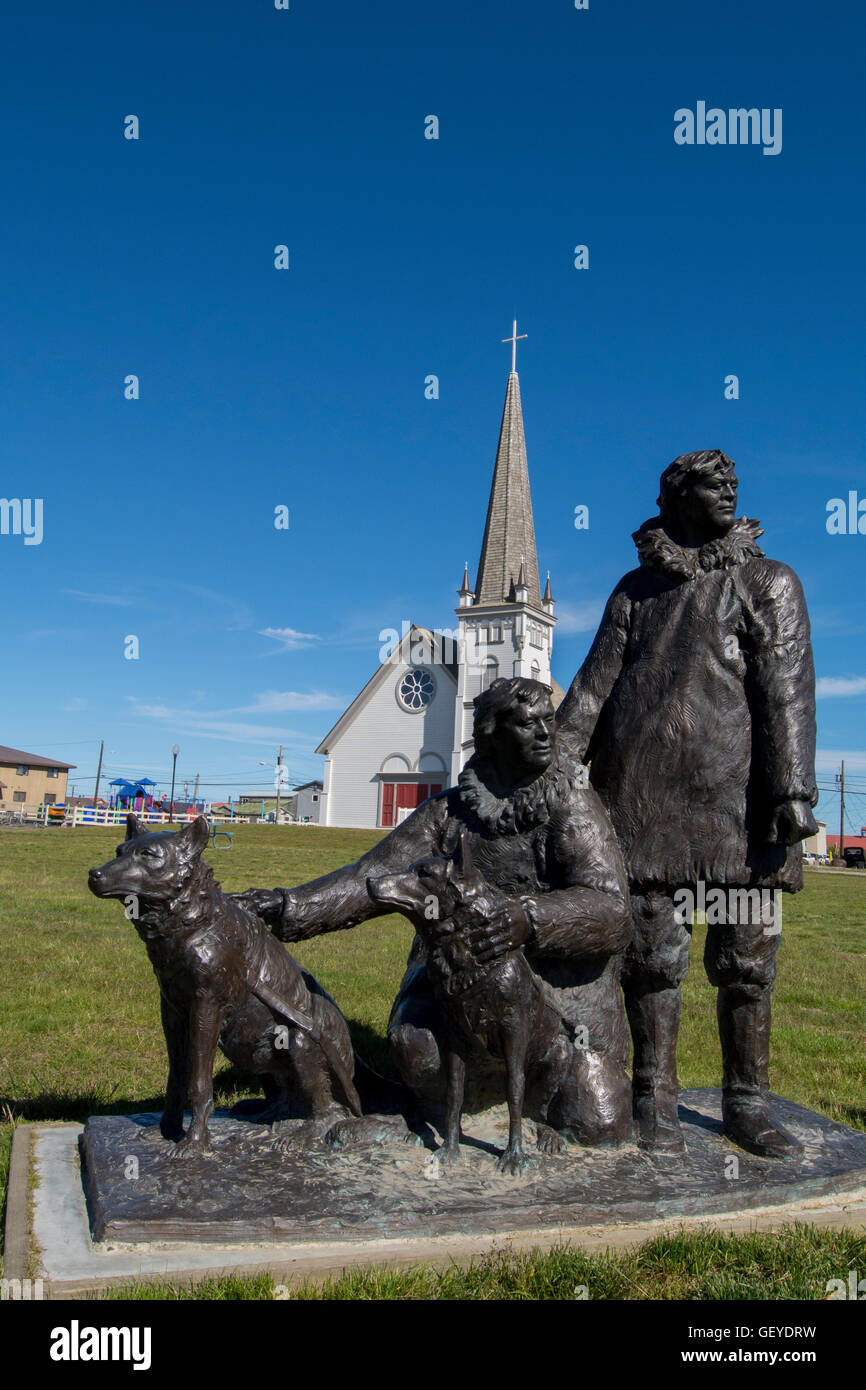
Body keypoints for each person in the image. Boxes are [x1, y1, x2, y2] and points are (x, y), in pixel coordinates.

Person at [236, 677, 635, 1145]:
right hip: (456, 993)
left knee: (598, 1123)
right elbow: (370, 878)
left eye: (549, 721)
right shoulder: (449, 814)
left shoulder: (573, 806)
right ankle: (433, 1112)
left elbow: (612, 910)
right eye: (529, 724)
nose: (547, 732)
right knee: (418, 1049)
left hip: (561, 1003)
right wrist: (286, 907)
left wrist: (529, 918)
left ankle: (527, 1109)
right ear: (491, 734)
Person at [556, 449, 818, 1156]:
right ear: (675, 497)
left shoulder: (769, 582)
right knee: (652, 960)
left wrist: (792, 793)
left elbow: (786, 692)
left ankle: (747, 1104)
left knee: (747, 963)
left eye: (734, 479)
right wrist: (547, 771)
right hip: (643, 807)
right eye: (712, 481)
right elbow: (590, 691)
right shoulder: (635, 593)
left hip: (742, 812)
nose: (730, 488)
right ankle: (655, 1101)